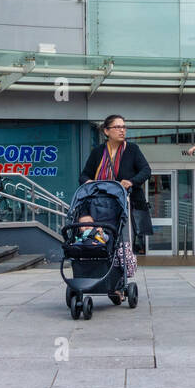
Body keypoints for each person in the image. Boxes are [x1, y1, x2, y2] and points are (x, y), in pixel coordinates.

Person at [79, 114, 152, 299]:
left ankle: (118, 285)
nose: (122, 130)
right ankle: (96, 279)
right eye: (117, 127)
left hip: (126, 205)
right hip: (100, 206)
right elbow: (84, 175)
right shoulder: (98, 152)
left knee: (121, 245)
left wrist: (131, 181)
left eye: (124, 127)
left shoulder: (132, 150)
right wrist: (90, 183)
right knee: (102, 244)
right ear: (106, 131)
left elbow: (146, 170)